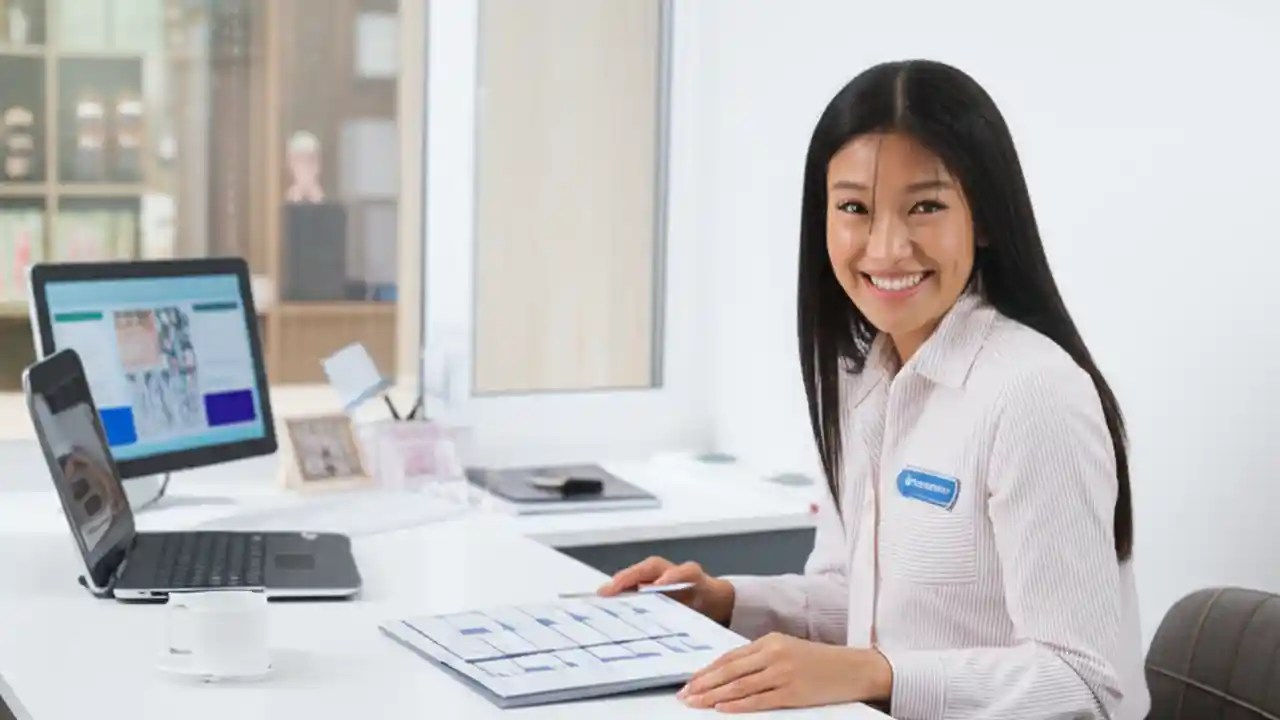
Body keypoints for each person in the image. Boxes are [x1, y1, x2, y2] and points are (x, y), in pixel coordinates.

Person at [600, 59, 1148, 719]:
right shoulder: (860, 379)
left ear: (986, 218)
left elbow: (1081, 681)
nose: (886, 248)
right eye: (855, 208)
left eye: (925, 206)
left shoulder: (1033, 394)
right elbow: (862, 608)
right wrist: (727, 602)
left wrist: (875, 674)